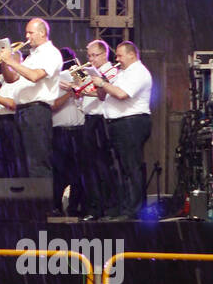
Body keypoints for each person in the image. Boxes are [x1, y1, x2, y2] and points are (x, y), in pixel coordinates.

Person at [91, 41, 153, 220]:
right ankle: (122, 206)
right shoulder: (121, 73)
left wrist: (103, 82)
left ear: (132, 55)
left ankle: (133, 210)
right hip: (117, 123)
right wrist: (99, 83)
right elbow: (104, 96)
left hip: (132, 122)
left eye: (119, 55)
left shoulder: (139, 72)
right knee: (121, 167)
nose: (116, 59)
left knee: (131, 167)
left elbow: (122, 94)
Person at [0, 19, 63, 180]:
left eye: (30, 33)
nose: (27, 36)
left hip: (37, 111)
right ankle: (28, 203)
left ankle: (42, 205)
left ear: (42, 33)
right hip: (22, 110)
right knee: (22, 163)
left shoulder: (51, 53)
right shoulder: (32, 56)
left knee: (37, 163)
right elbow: (12, 79)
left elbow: (35, 76)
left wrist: (11, 60)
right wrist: (4, 63)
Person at [75, 39, 118, 219]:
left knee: (102, 165)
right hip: (88, 117)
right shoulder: (92, 72)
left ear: (104, 54)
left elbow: (106, 94)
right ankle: (93, 206)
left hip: (101, 119)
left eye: (95, 55)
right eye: (89, 55)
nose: (91, 59)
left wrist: (84, 90)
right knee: (89, 166)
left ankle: (107, 206)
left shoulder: (111, 71)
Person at [50, 47, 86, 216]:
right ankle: (56, 207)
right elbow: (52, 105)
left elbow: (90, 94)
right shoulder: (52, 80)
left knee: (78, 173)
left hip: (79, 130)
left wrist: (78, 87)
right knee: (58, 172)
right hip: (60, 131)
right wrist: (69, 93)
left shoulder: (80, 75)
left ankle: (75, 207)